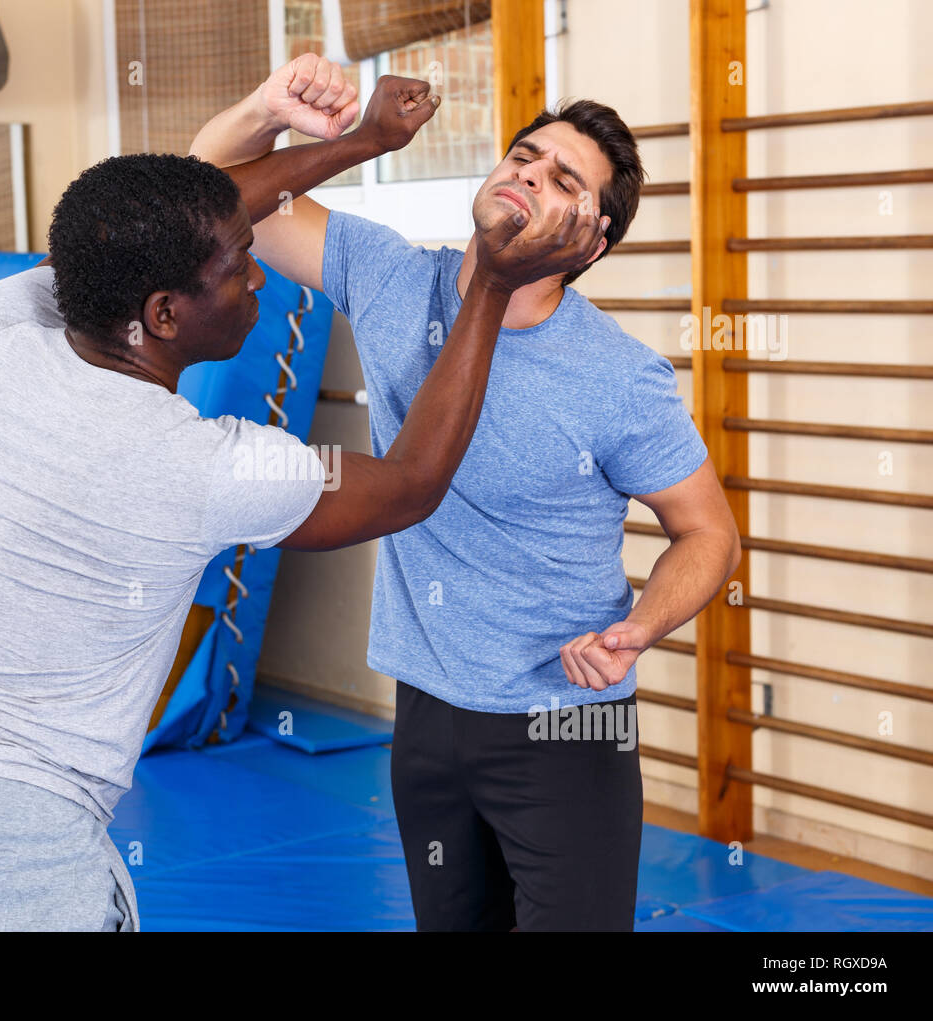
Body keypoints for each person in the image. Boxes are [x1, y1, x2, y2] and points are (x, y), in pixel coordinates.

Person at [0, 66, 608, 931]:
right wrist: (494, 287)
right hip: (2, 845)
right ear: (164, 314)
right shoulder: (187, 464)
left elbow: (147, 226)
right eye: (240, 268)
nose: (260, 278)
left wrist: (362, 144)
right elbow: (412, 484)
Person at [191, 54, 741, 931]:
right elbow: (213, 193)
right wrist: (269, 108)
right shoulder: (389, 275)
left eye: (563, 177)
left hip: (566, 723)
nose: (529, 171)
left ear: (591, 241)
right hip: (428, 711)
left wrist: (642, 626)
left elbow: (709, 533)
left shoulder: (620, 376)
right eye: (524, 154)